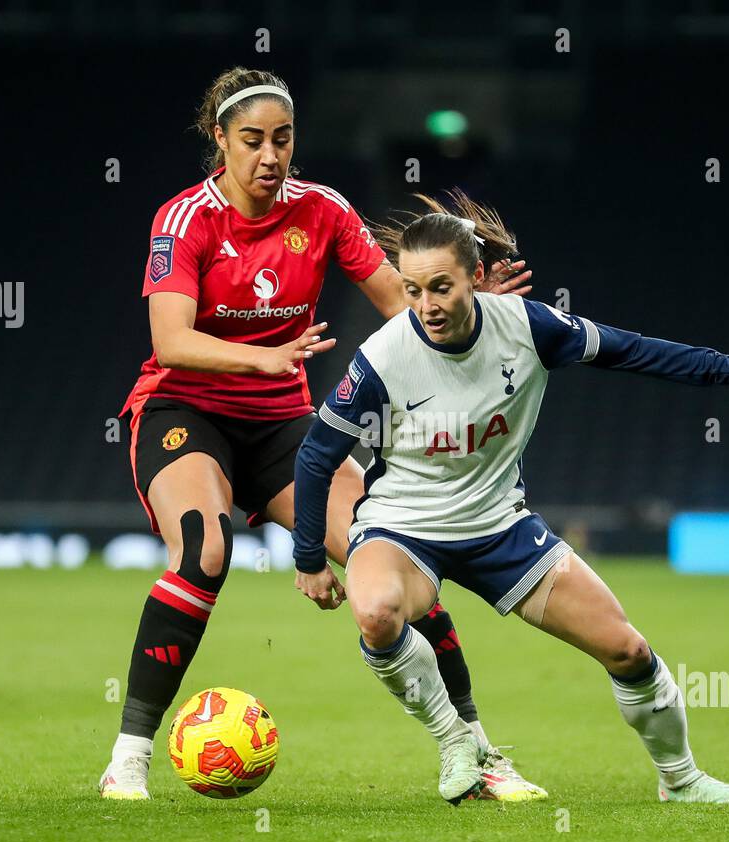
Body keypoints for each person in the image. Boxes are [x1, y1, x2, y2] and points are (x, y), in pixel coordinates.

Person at [291, 191, 729, 804]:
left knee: (627, 649)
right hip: (403, 529)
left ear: (476, 278)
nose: (426, 306)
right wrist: (310, 559)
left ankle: (681, 781)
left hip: (501, 528)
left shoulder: (528, 328)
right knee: (377, 612)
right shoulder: (385, 357)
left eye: (441, 286)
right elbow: (316, 455)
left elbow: (635, 352)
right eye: (412, 290)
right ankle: (456, 743)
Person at [100, 68, 545, 801]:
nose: (270, 156)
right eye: (252, 141)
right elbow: (171, 339)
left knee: (397, 561)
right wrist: (263, 356)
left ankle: (476, 753)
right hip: (185, 411)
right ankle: (130, 756)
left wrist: (466, 304)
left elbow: (403, 308)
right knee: (205, 548)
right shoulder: (185, 220)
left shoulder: (324, 211)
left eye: (282, 139)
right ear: (221, 140)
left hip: (282, 426)